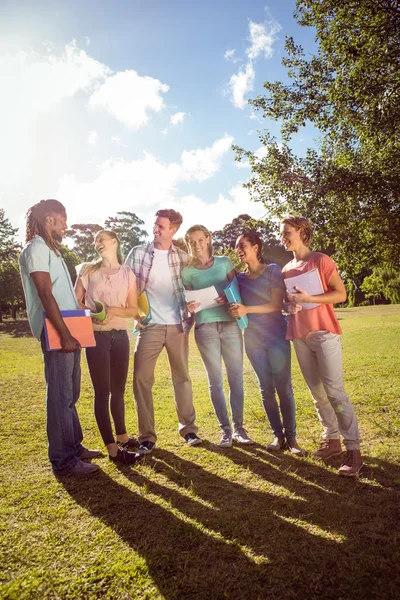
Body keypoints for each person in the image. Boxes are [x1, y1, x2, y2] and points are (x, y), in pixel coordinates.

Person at [18, 199, 101, 477]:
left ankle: (74, 447)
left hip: (70, 327)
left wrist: (82, 311)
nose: (66, 225)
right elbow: (45, 293)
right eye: (63, 219)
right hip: (57, 331)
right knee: (60, 395)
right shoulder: (36, 249)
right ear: (49, 219)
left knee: (71, 393)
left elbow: (62, 295)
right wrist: (64, 333)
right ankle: (63, 460)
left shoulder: (53, 251)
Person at [280, 215, 363, 477]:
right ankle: (332, 440)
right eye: (281, 232)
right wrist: (289, 305)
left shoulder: (320, 260)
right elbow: (289, 303)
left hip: (323, 333)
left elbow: (341, 294)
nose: (283, 236)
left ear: (302, 231)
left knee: (335, 391)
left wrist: (310, 297)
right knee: (317, 393)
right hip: (299, 335)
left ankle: (354, 449)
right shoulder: (286, 269)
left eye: (287, 232)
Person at [125, 209, 202, 454]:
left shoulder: (182, 257)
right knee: (141, 378)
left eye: (161, 226)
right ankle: (146, 436)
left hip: (178, 325)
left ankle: (189, 430)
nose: (156, 229)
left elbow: (191, 287)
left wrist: (191, 304)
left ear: (173, 230)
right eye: (155, 224)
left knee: (182, 377)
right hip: (149, 326)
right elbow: (123, 283)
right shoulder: (137, 253)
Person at [230, 232, 304, 454]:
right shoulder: (239, 280)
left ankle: (292, 439)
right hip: (253, 339)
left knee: (284, 387)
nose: (238, 249)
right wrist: (234, 309)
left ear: (256, 247)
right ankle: (278, 436)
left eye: (242, 245)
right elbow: (236, 304)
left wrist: (247, 309)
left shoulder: (272, 270)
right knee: (266, 388)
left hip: (276, 336)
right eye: (236, 247)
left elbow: (275, 305)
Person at [74, 230, 142, 466]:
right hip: (97, 338)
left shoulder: (128, 274)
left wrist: (113, 311)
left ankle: (122, 435)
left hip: (120, 336)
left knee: (119, 390)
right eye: (95, 241)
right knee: (102, 393)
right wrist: (91, 314)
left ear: (114, 241)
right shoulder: (88, 271)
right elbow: (76, 300)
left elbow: (134, 309)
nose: (97, 243)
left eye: (101, 239)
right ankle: (113, 450)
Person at [182, 225, 253, 447]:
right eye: (192, 242)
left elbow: (237, 290)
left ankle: (239, 429)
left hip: (230, 324)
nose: (197, 245)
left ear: (208, 239)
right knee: (215, 382)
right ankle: (226, 431)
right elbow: (186, 303)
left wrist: (228, 296)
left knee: (236, 379)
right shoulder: (187, 271)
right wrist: (189, 307)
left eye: (200, 240)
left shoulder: (224, 262)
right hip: (205, 327)